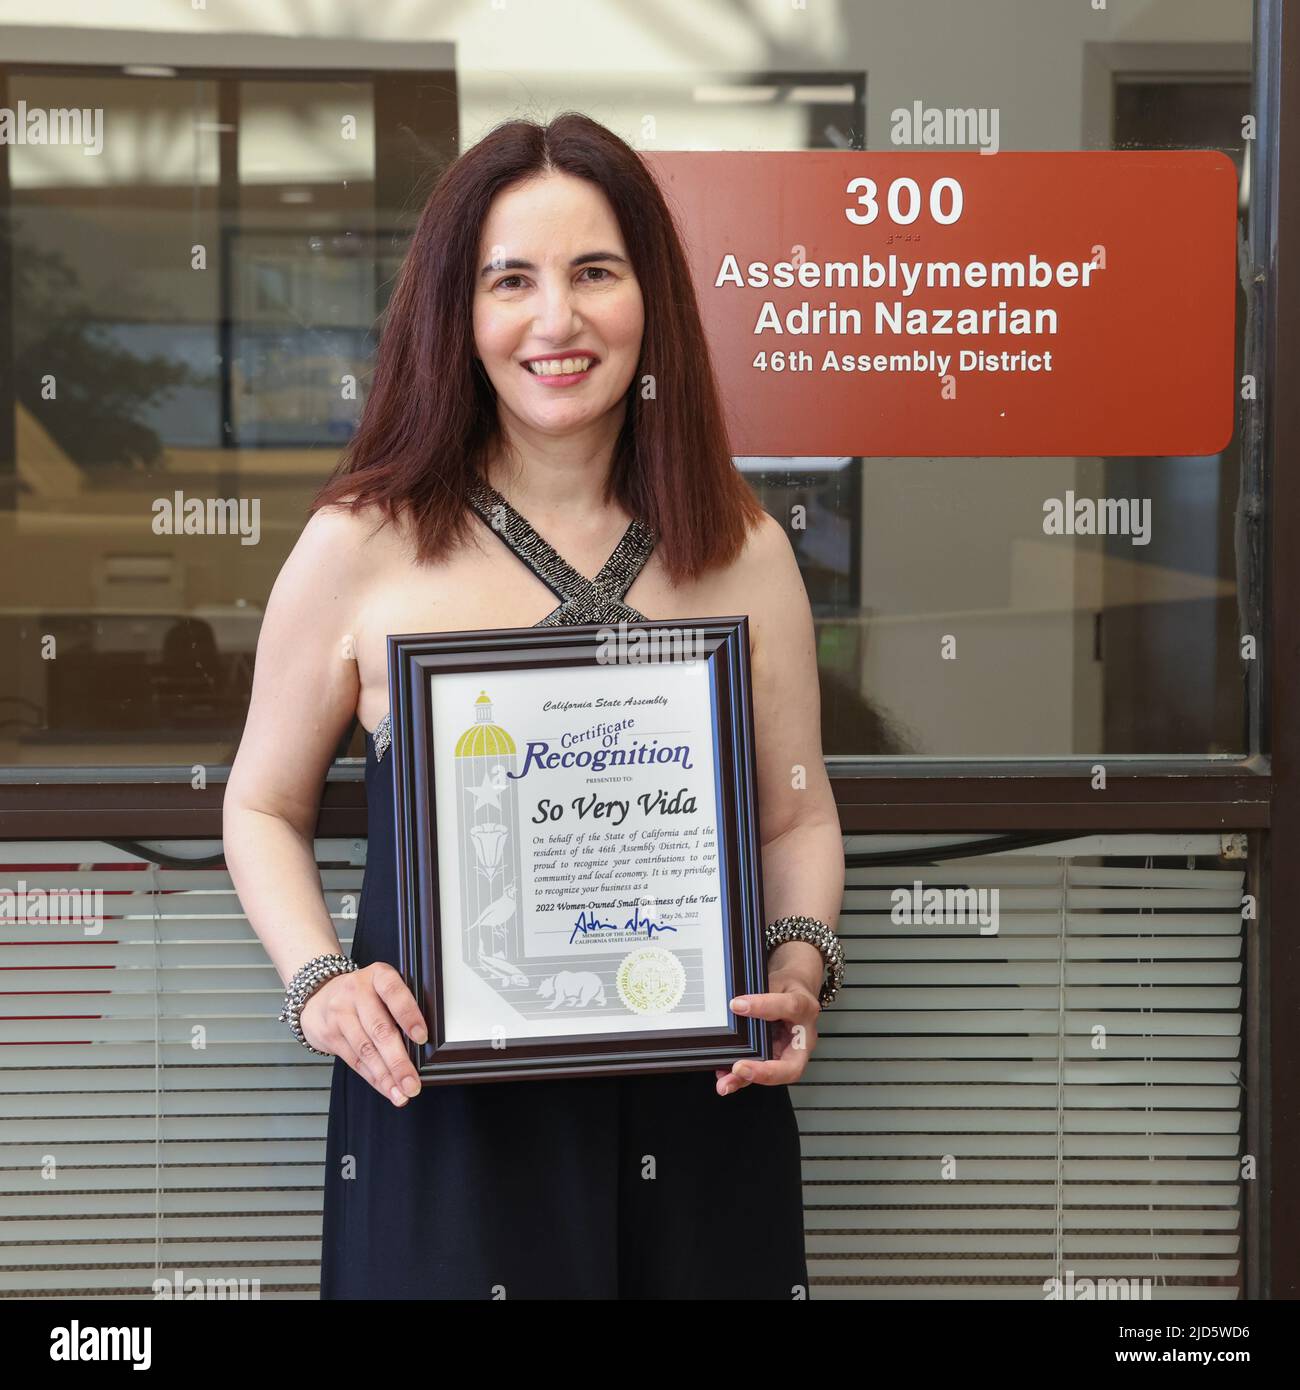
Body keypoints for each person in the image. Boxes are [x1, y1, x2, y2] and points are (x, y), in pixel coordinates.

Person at [222, 112, 846, 1300]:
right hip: (443, 1117)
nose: (554, 321)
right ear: (458, 314)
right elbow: (259, 803)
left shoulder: (746, 546)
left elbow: (795, 819)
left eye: (594, 274)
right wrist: (319, 985)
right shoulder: (361, 543)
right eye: (511, 280)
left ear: (650, 297)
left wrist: (799, 967)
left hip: (700, 1102)